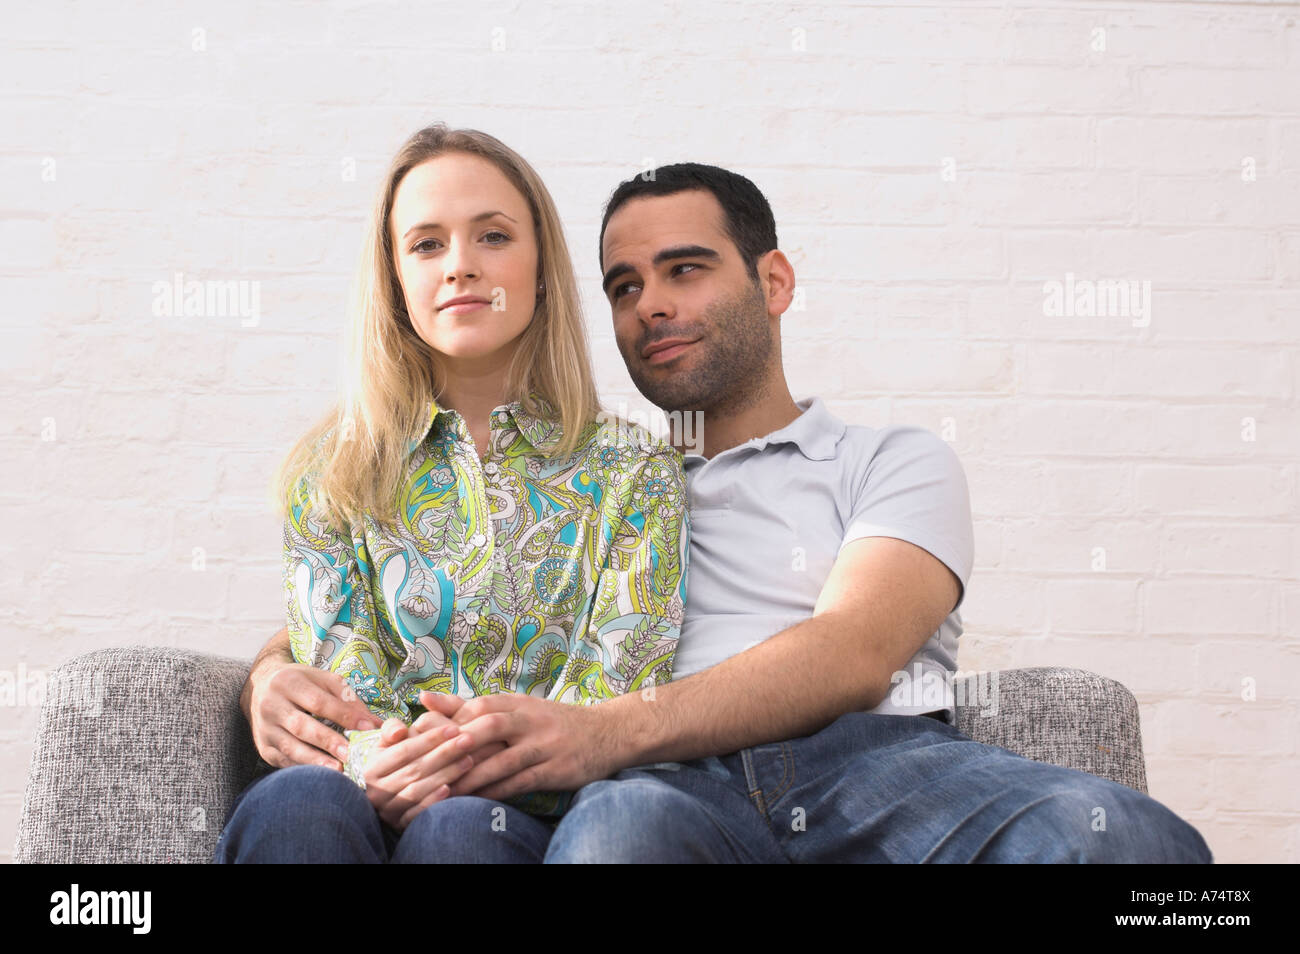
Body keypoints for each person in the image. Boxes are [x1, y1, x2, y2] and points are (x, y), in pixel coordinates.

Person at [235, 160, 1214, 864]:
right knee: (618, 837)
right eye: (626, 286)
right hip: (660, 791)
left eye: (685, 268)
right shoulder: (601, 485)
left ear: (772, 282)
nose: (651, 304)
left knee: (1135, 842)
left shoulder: (888, 459)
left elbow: (852, 651)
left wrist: (611, 730)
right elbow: (433, 604)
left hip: (870, 763)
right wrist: (268, 675)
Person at [212, 124, 689, 863]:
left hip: (535, 817)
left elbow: (619, 689)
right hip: (355, 794)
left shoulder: (637, 473)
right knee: (297, 801)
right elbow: (341, 676)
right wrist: (377, 761)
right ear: (396, 280)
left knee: (460, 826)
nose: (460, 266)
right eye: (427, 244)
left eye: (492, 237)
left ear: (540, 271)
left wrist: (463, 772)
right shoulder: (331, 470)